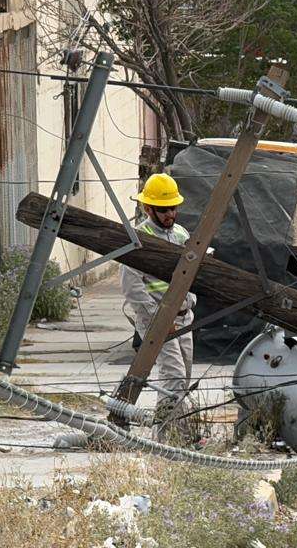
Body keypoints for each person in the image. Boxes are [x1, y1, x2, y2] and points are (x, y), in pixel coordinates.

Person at [121, 173, 196, 431]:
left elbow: (192, 273)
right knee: (173, 375)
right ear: (147, 208)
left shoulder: (181, 234)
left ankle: (178, 430)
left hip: (183, 315)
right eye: (163, 210)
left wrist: (189, 301)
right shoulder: (139, 237)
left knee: (183, 375)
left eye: (173, 208)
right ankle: (166, 435)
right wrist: (159, 319)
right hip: (156, 318)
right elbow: (132, 287)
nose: (169, 215)